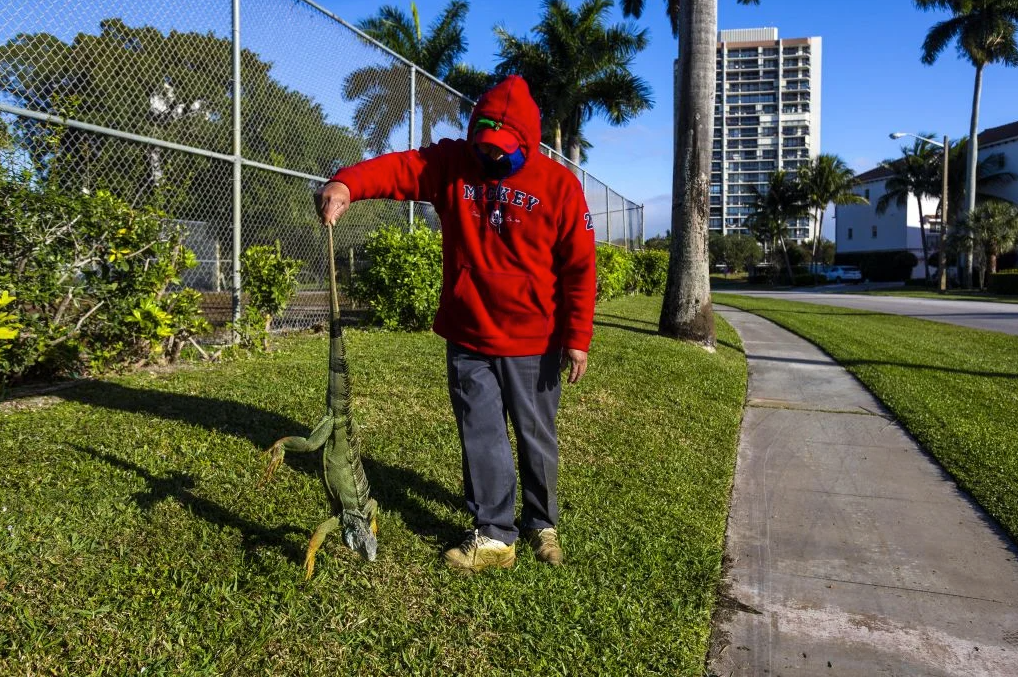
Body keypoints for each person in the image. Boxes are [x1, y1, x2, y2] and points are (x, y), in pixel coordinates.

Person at [314, 75, 596, 573]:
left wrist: (577, 337)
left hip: (535, 339)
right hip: (469, 334)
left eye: (503, 151)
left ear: (528, 142)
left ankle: (541, 522)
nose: (491, 159)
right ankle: (494, 534)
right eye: (484, 148)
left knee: (536, 436)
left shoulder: (559, 186)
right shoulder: (452, 163)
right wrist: (347, 183)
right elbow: (400, 169)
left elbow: (579, 266)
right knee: (480, 433)